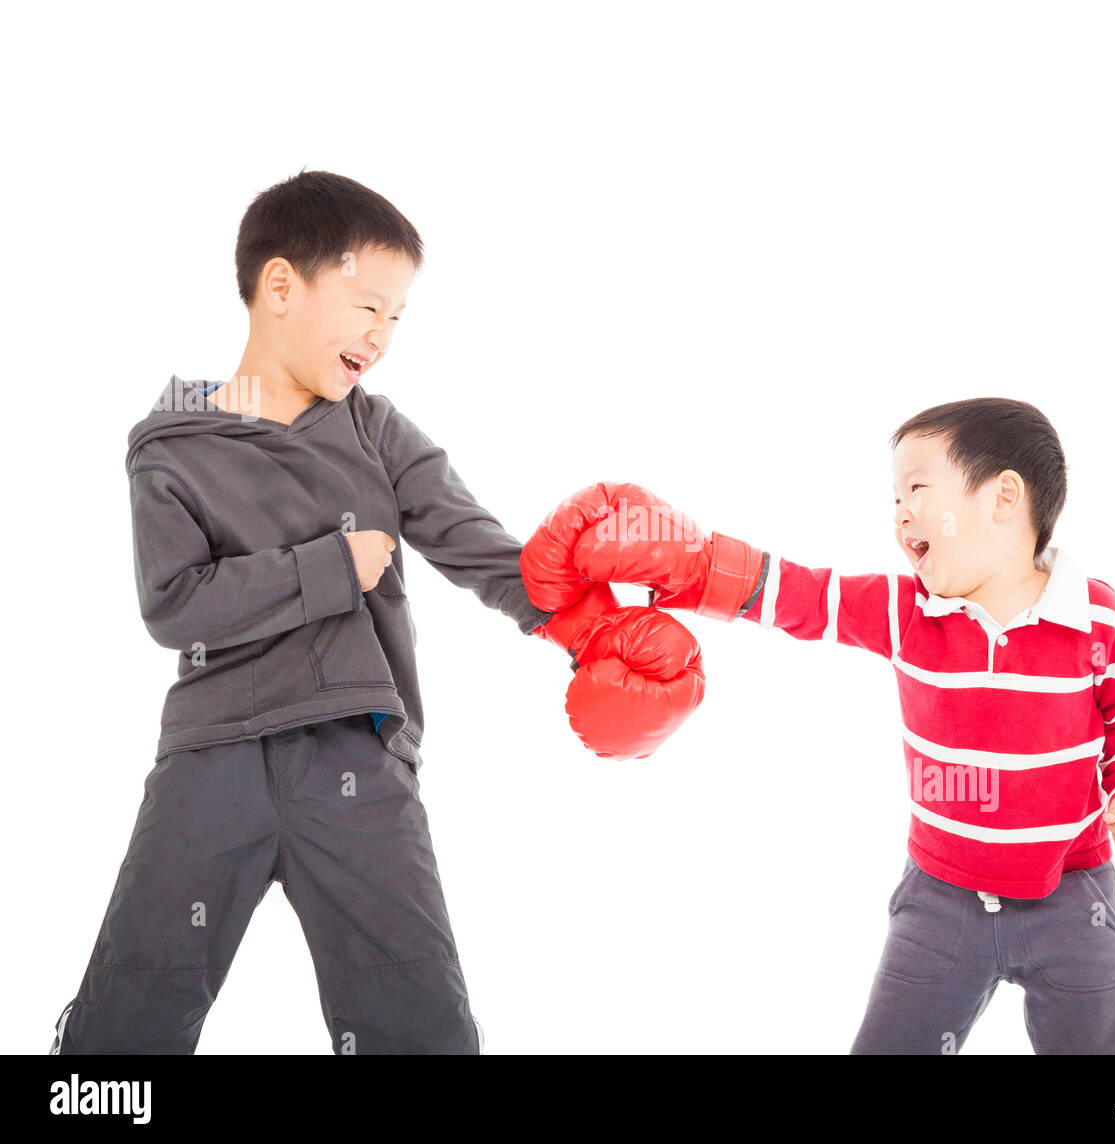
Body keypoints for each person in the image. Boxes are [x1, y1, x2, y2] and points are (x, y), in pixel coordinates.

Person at [49, 168, 700, 1055]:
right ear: (281, 287)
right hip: (212, 753)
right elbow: (175, 606)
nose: (383, 336)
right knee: (127, 1022)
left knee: (420, 1022)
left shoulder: (377, 431)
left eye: (398, 318)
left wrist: (588, 625)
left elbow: (480, 547)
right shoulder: (172, 447)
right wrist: (330, 567)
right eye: (368, 307)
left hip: (357, 749)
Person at [523, 396, 1115, 1053]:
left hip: (1073, 895)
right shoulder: (907, 611)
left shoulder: (1095, 615)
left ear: (1004, 497)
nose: (900, 513)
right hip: (942, 900)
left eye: (917, 489)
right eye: (893, 499)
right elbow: (806, 595)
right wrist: (695, 563)